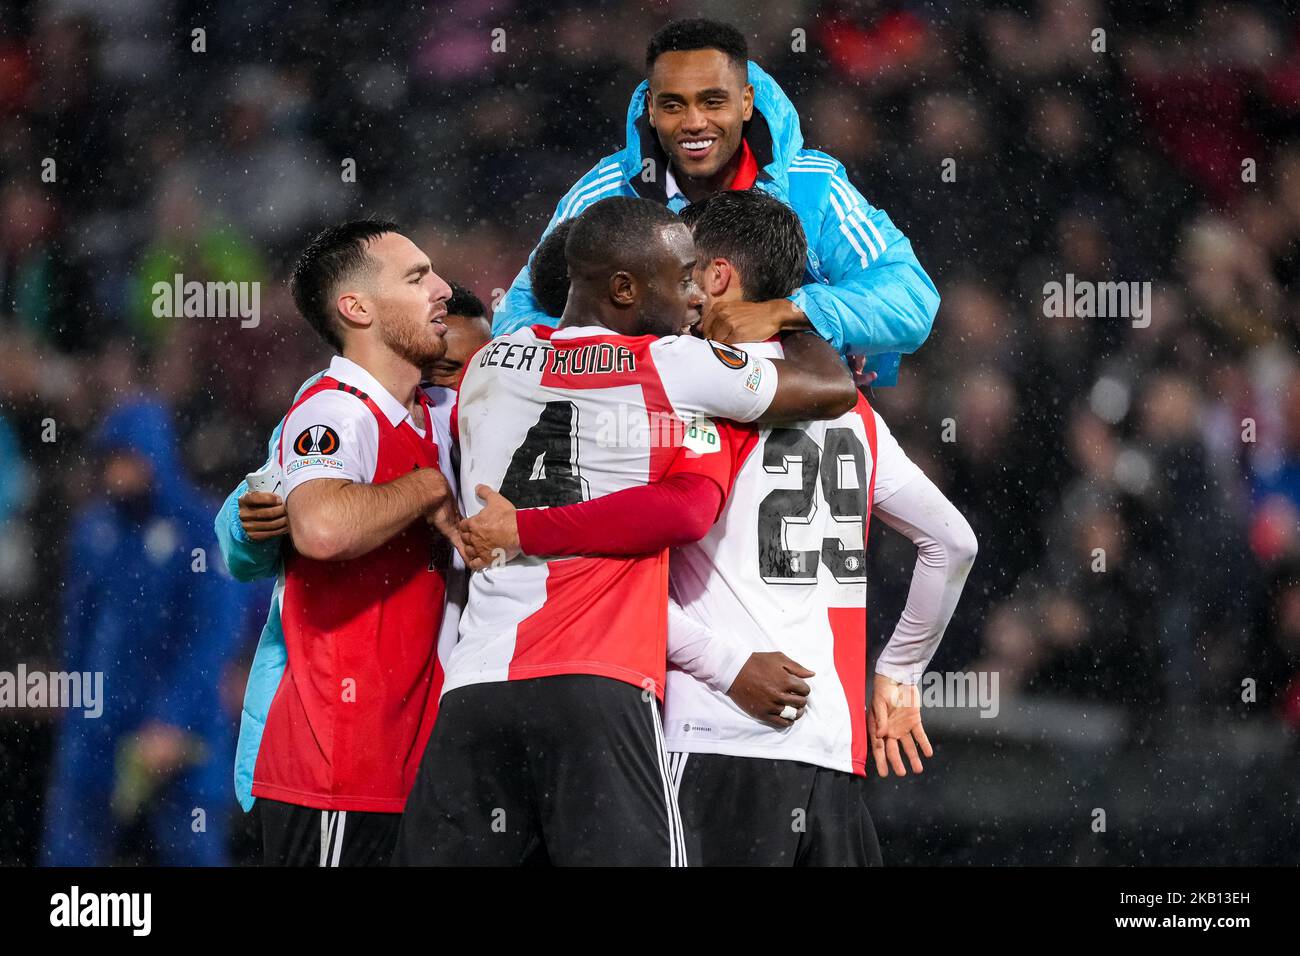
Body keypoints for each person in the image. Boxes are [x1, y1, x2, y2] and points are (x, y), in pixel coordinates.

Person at [462, 190, 978, 866]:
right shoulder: (856, 417)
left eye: (684, 271)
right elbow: (953, 543)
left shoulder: (692, 396)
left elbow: (623, 569)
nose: (670, 291)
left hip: (713, 734)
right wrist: (901, 674)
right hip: (831, 746)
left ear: (718, 277)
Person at [392, 195, 857, 866]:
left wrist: (522, 526)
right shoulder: (674, 367)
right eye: (684, 277)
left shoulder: (493, 364)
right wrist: (788, 311)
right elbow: (827, 386)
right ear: (623, 289)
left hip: (476, 692)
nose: (698, 296)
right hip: (595, 690)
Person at [494, 17, 939, 387]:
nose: (693, 123)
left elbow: (911, 299)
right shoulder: (606, 192)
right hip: (639, 434)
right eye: (672, 105)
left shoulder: (814, 187)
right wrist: (651, 347)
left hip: (790, 437)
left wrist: (788, 314)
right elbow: (513, 325)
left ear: (746, 102)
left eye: (713, 101)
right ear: (649, 108)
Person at [215, 278, 488, 838]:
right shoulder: (347, 413)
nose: (466, 388)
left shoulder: (503, 431)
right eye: (450, 373)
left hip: (443, 749)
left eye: (482, 370)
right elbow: (253, 527)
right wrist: (251, 523)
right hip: (340, 752)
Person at [44, 399, 247, 865]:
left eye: (128, 458)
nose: (118, 473)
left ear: (156, 456)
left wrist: (173, 719)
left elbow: (212, 638)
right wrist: (78, 708)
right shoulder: (94, 530)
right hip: (100, 728)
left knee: (190, 849)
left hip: (183, 732)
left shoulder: (201, 529)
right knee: (70, 857)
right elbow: (80, 629)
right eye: (110, 460)